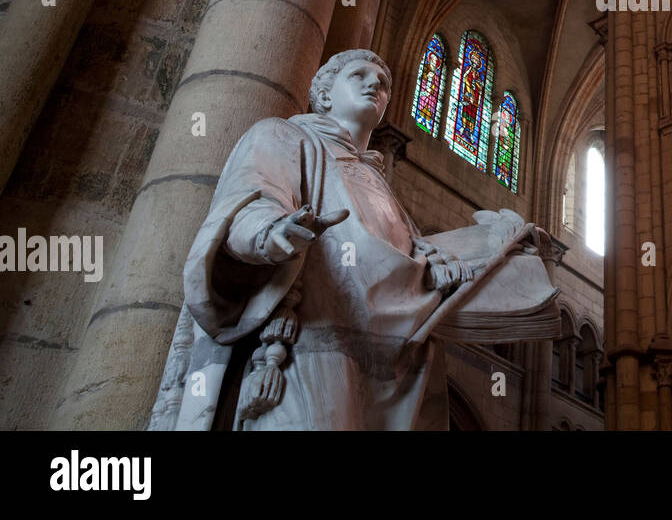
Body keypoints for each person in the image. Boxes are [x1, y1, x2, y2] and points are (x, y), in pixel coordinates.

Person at [150, 49, 559, 430]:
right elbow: (253, 197)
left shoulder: (383, 190)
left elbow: (422, 265)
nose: (374, 86)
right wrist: (272, 234)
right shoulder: (284, 136)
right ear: (324, 94)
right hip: (307, 344)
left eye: (382, 83)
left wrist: (503, 246)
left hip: (386, 365)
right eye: (359, 75)